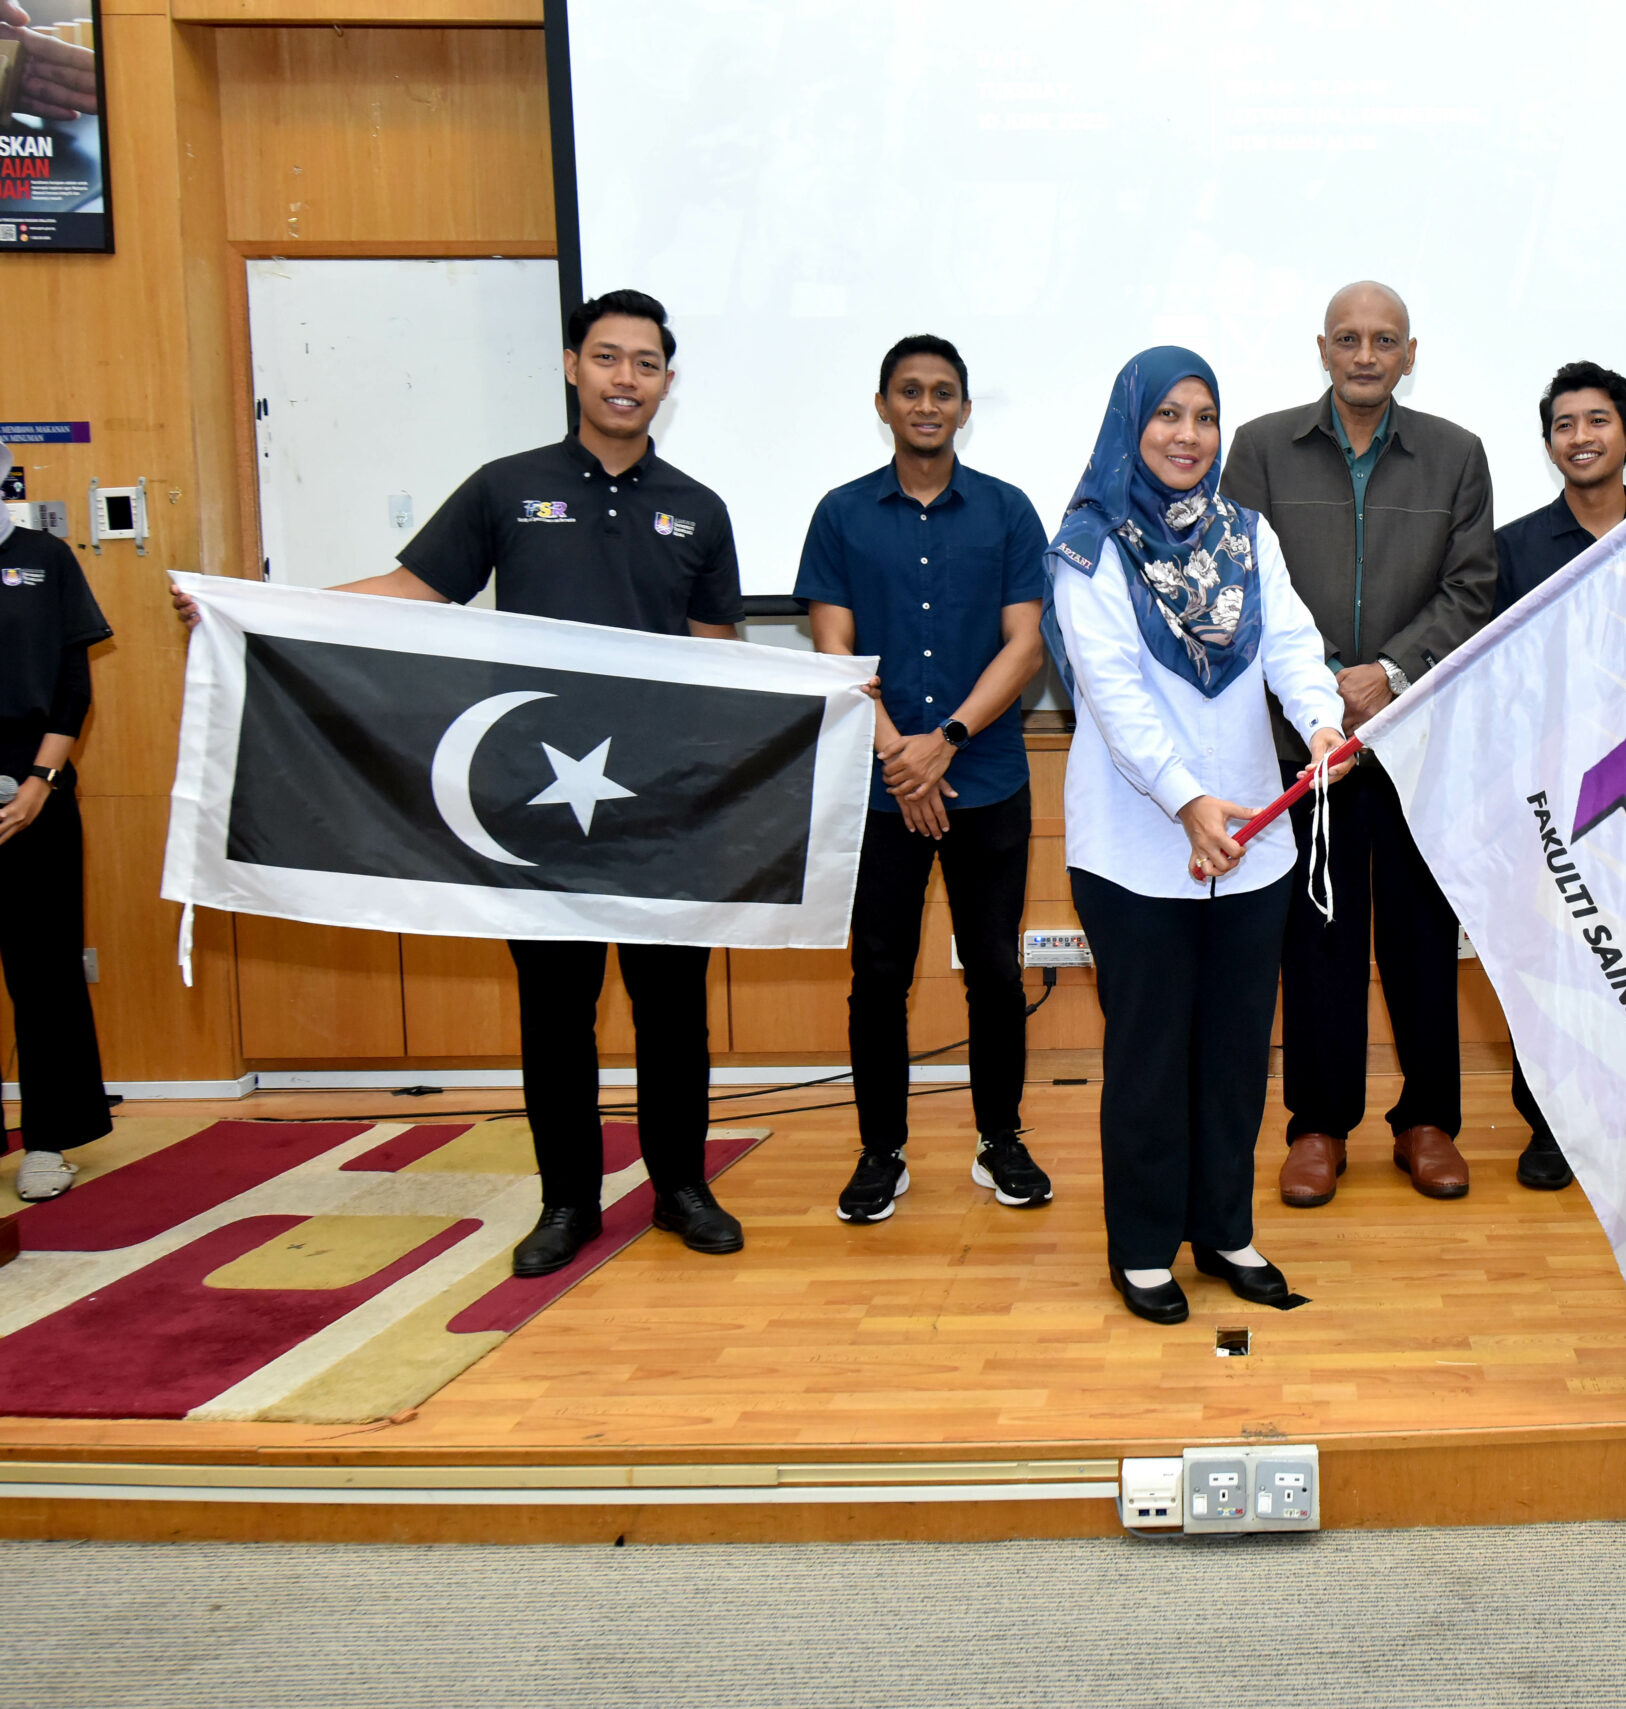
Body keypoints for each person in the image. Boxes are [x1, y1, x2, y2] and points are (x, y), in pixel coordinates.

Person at [174, 288, 750, 1278]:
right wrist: (259, 609)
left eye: (645, 363)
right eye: (607, 357)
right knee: (556, 1014)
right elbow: (412, 593)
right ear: (573, 365)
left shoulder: (697, 507)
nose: (625, 377)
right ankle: (566, 1200)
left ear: (665, 380)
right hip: (532, 801)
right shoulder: (505, 488)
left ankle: (682, 1188)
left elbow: (719, 651)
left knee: (673, 1013)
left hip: (660, 805)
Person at [1045, 347, 1349, 1325]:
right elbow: (1115, 694)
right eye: (1166, 416)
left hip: (1252, 841)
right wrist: (1185, 800)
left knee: (1230, 1056)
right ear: (1130, 425)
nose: (1186, 435)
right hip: (1137, 851)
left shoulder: (1245, 536)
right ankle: (1141, 1245)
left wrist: (1322, 719)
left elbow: (1292, 643)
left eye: (1204, 416)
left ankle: (1222, 1226)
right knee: (1149, 1058)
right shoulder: (1088, 547)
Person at [1221, 281, 1497, 1209]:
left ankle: (1428, 1121)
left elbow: (1472, 590)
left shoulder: (1458, 456)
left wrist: (1388, 671)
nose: (1367, 354)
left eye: (1385, 340)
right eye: (1350, 339)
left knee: (1422, 934)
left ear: (1410, 354)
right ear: (1323, 349)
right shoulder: (1259, 450)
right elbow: (1238, 587)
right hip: (1302, 744)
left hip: (1418, 734)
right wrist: (1319, 693)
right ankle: (1317, 1126)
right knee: (1318, 937)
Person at [796, 335, 1052, 1224]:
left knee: (994, 969)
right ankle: (882, 1153)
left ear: (965, 409)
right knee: (879, 973)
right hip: (876, 786)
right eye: (910, 391)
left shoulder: (1011, 512)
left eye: (944, 392)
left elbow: (1026, 645)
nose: (927, 405)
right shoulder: (841, 514)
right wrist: (897, 755)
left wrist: (942, 740)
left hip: (986, 778)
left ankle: (1001, 1140)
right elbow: (833, 648)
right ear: (884, 405)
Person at [1489, 361, 1626, 1191]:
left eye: (1597, 421)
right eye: (1564, 425)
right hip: (1546, 796)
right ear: (1548, 441)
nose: (1581, 437)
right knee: (1548, 964)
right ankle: (1549, 1126)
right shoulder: (1510, 549)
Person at [0, 444, 112, 1201]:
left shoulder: (44, 557)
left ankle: (47, 1140)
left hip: (33, 786)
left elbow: (74, 685)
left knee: (43, 968)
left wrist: (41, 780)